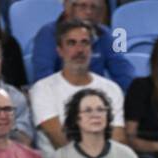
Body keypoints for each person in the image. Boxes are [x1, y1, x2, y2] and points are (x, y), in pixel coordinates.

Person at [30, 17, 125, 149]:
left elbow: (117, 140)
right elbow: (60, 141)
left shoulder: (111, 89)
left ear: (91, 49)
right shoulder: (42, 89)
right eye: (71, 43)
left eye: (85, 43)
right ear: (60, 51)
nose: (79, 50)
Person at [30, 0, 133, 88]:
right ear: (67, 6)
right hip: (59, 96)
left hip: (96, 99)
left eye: (94, 7)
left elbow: (121, 69)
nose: (88, 12)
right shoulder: (48, 33)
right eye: (82, 6)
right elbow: (43, 76)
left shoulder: (104, 33)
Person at [47, 85, 140, 158]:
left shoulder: (127, 156)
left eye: (100, 110)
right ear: (76, 118)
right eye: (88, 110)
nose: (95, 115)